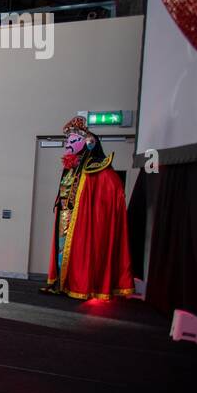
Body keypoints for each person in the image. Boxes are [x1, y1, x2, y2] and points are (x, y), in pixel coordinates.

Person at [40, 116, 134, 300]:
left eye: (73, 140)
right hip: (65, 219)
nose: (68, 144)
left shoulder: (98, 170)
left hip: (83, 221)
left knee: (82, 252)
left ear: (89, 143)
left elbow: (109, 195)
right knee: (62, 254)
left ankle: (81, 284)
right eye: (67, 141)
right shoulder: (71, 167)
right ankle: (63, 283)